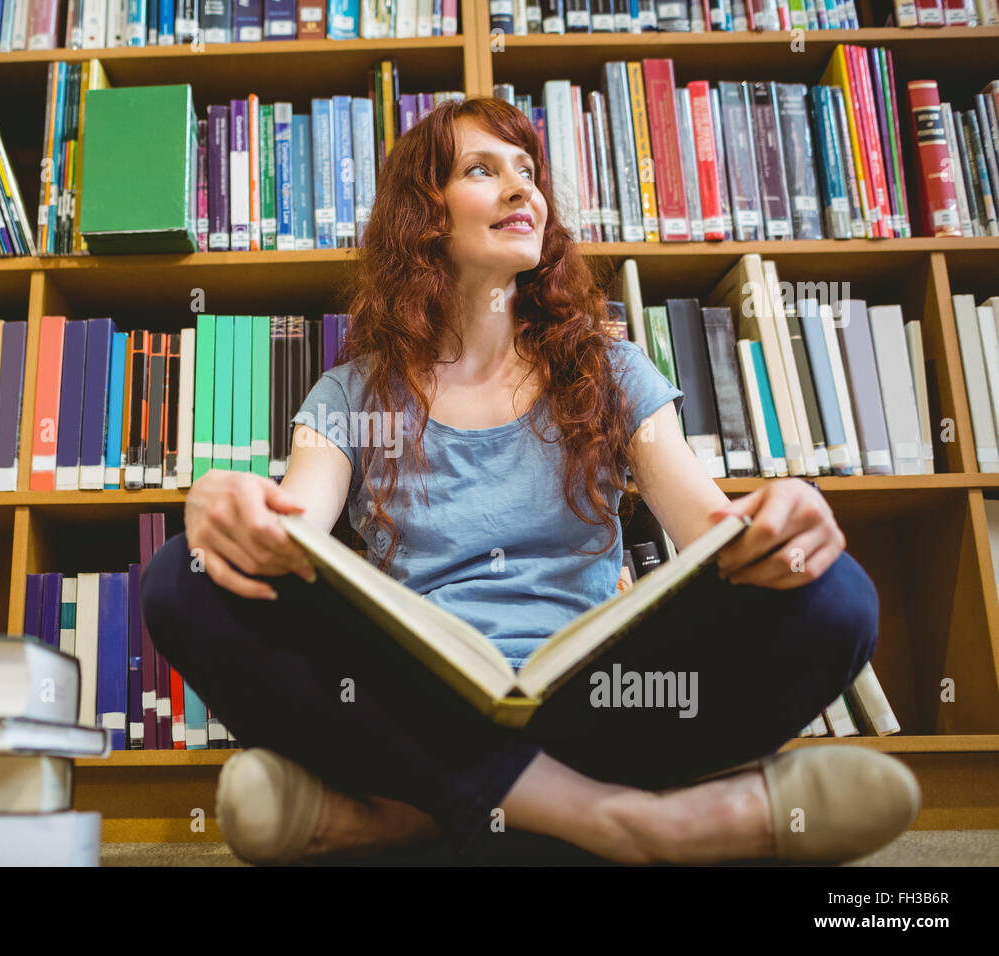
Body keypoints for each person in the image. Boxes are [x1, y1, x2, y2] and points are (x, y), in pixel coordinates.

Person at [139, 96, 920, 866]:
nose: (523, 189)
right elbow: (292, 532)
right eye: (483, 170)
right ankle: (639, 824)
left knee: (836, 594)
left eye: (529, 172)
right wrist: (224, 506)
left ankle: (396, 819)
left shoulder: (611, 371)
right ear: (427, 217)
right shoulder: (351, 395)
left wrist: (786, 518)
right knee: (186, 576)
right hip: (415, 698)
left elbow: (712, 533)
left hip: (596, 702)